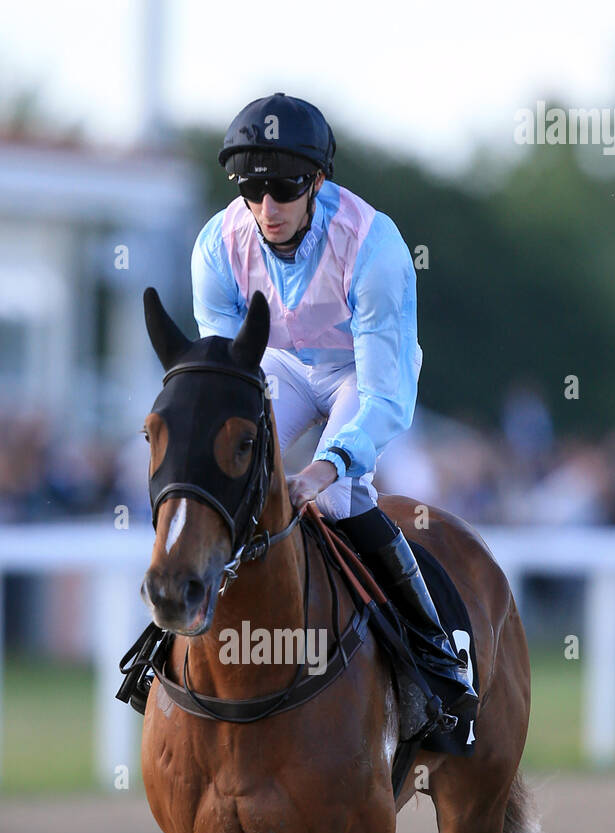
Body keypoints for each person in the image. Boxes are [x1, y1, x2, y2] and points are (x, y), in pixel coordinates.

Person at [191, 92, 477, 723]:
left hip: (360, 372)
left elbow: (383, 398)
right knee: (224, 477)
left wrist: (328, 465)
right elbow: (225, 377)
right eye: (252, 190)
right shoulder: (217, 246)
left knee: (340, 498)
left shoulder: (374, 249)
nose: (267, 208)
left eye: (285, 189)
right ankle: (172, 636)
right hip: (282, 366)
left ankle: (434, 656)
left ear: (318, 181)